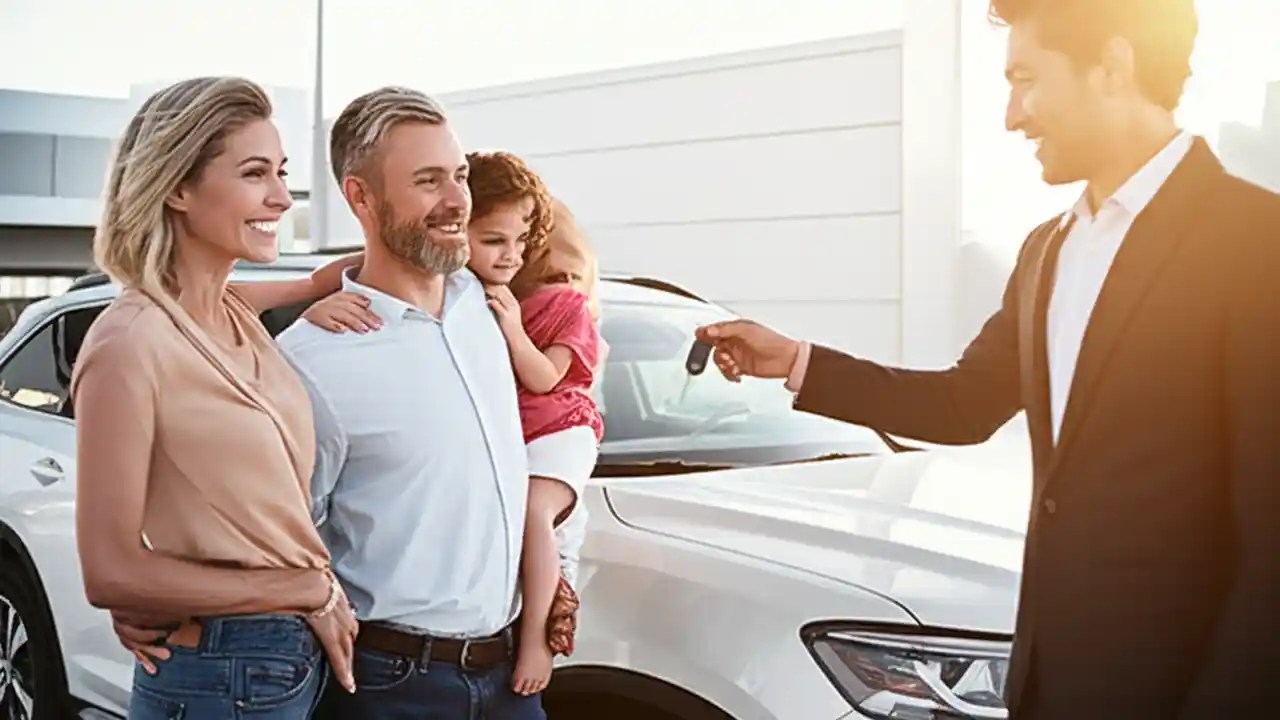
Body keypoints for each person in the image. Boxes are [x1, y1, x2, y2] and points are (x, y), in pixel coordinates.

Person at [696, 1, 1280, 718]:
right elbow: (963, 405)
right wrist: (795, 360)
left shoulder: (1257, 242)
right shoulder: (1046, 251)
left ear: (1114, 66)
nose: (1013, 115)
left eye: (1027, 78)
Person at [70, 76, 358, 720]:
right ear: (177, 186)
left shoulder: (231, 308)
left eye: (282, 172)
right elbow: (109, 571)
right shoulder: (129, 344)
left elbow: (319, 279)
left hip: (284, 655)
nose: (282, 197)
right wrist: (308, 589)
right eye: (256, 174)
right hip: (221, 670)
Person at [275, 87, 545, 719]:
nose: (457, 201)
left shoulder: (481, 303)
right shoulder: (313, 358)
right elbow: (287, 540)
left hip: (511, 679)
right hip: (392, 687)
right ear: (360, 197)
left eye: (458, 177)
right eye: (428, 181)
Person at [305, 152, 605, 697]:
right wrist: (308, 301)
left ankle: (540, 631)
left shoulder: (511, 304)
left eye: (519, 241)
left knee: (543, 514)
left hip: (559, 426)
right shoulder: (448, 293)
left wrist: (512, 329)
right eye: (493, 241)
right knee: (539, 515)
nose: (510, 255)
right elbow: (344, 269)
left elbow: (545, 379)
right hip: (401, 663)